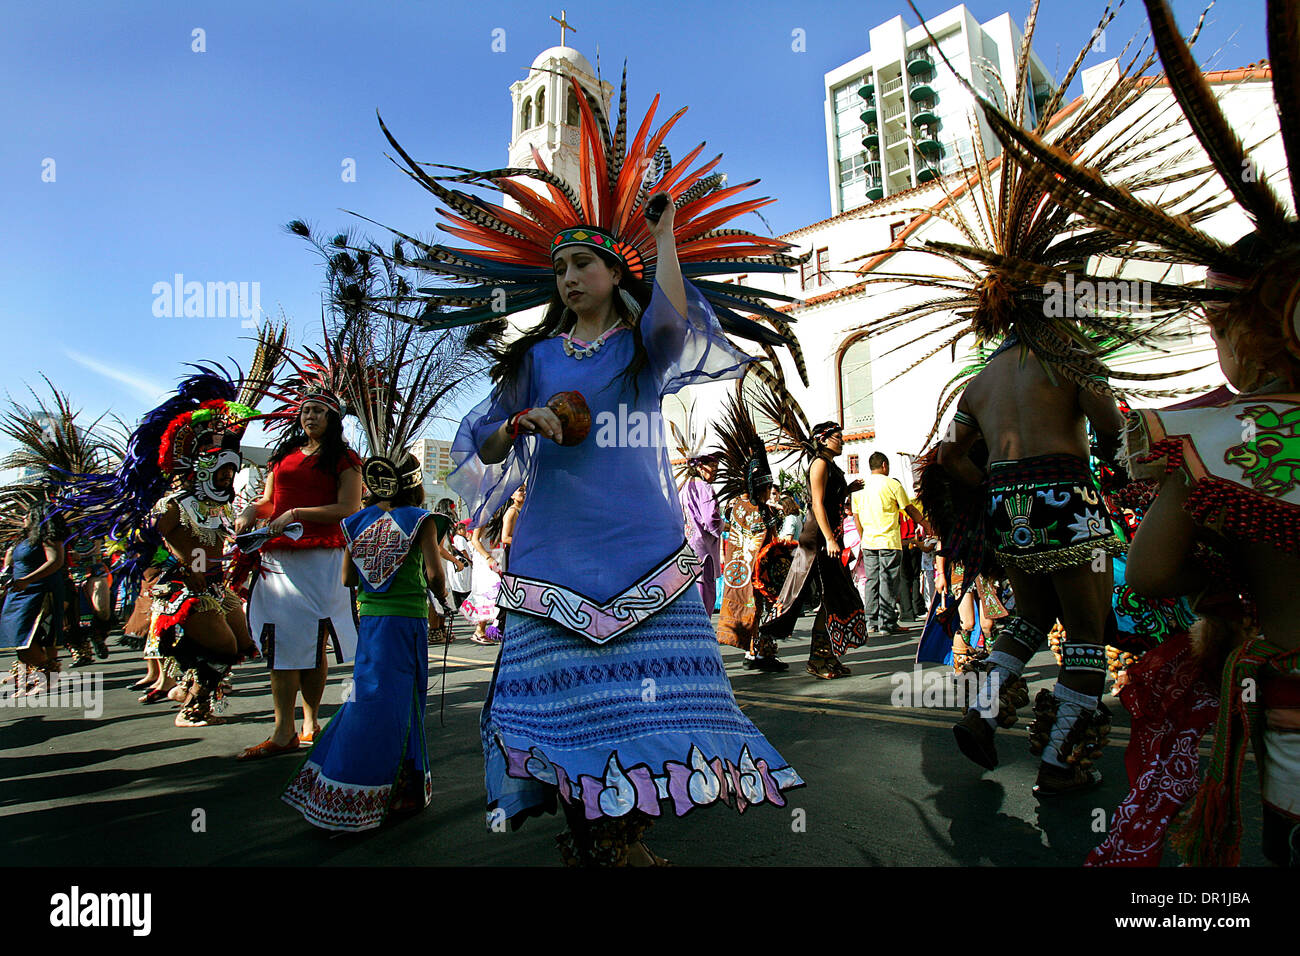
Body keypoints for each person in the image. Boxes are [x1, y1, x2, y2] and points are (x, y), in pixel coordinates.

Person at [383, 71, 807, 865]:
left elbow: (680, 325)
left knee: (639, 709)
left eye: (584, 264)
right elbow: (481, 443)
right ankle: (588, 835)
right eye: (561, 268)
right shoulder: (534, 357)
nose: (570, 277)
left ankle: (624, 835)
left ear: (617, 273)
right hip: (554, 552)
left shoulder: (645, 350)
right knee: (570, 705)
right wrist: (521, 422)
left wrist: (667, 232)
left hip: (645, 547)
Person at [283, 452, 450, 830]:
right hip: (406, 622)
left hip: (371, 621)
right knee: (402, 700)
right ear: (416, 484)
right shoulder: (420, 520)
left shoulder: (355, 522)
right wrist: (441, 598)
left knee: (368, 693)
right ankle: (394, 786)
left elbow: (347, 579)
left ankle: (342, 784)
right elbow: (434, 573)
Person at [237, 389, 363, 757]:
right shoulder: (283, 456)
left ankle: (308, 723)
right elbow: (269, 501)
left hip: (322, 559)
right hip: (279, 560)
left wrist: (296, 515)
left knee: (313, 642)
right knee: (282, 644)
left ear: (332, 419)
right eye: (305, 411)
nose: (310, 417)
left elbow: (349, 507)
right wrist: (250, 511)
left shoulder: (345, 459)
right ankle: (283, 730)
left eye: (318, 412)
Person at [759, 415, 868, 680]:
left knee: (838, 596)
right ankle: (818, 658)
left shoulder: (831, 465)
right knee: (831, 596)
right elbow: (817, 504)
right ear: (822, 440)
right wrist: (829, 539)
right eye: (837, 437)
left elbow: (830, 500)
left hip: (829, 536)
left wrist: (847, 490)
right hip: (817, 539)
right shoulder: (819, 464)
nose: (841, 441)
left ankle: (826, 655)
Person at [713, 393, 787, 672]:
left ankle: (751, 654)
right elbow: (767, 544)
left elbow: (730, 539)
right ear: (761, 487)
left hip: (739, 571)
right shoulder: (760, 511)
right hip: (757, 572)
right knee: (762, 611)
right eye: (767, 487)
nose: (770, 491)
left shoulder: (736, 507)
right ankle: (760, 654)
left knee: (748, 610)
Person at [851, 452, 929, 637]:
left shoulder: (859, 489)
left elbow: (856, 518)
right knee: (888, 581)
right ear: (884, 465)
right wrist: (925, 523)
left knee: (872, 581)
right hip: (889, 541)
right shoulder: (892, 484)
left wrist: (863, 538)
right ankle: (886, 622)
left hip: (869, 541)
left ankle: (871, 621)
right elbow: (909, 509)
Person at [0, 504, 66, 698]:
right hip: (18, 593)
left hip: (39, 591)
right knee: (18, 639)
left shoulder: (48, 536)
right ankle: (33, 678)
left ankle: (48, 674)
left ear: (38, 517)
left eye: (27, 515)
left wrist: (28, 580)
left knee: (26, 639)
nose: (23, 518)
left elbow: (55, 561)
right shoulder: (24, 539)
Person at [679, 454, 723, 615]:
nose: (715, 472)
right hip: (703, 551)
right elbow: (711, 521)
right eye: (713, 467)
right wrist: (724, 526)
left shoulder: (684, 488)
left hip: (686, 548)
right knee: (704, 596)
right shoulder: (704, 488)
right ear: (699, 467)